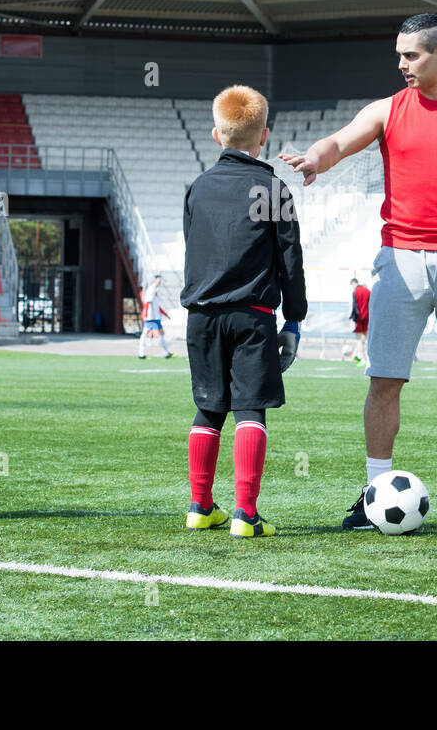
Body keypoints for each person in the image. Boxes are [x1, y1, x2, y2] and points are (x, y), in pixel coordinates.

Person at [281, 13, 437, 532]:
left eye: (411, 55)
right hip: (398, 260)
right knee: (384, 382)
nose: (402, 65)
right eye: (399, 55)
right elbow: (342, 141)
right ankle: (376, 495)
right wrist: (315, 159)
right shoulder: (387, 110)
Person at [181, 85, 307, 538]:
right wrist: (294, 319)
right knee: (250, 409)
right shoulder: (273, 190)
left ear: (217, 135)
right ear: (264, 135)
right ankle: (246, 514)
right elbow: (289, 261)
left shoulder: (197, 187)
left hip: (201, 313)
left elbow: (193, 246)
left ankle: (199, 506)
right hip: (252, 314)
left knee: (208, 407)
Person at [138, 274, 173, 358]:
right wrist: (145, 315)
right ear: (155, 280)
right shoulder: (151, 290)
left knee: (161, 333)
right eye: (159, 280)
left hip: (156, 317)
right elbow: (147, 303)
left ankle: (166, 353)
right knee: (145, 333)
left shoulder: (155, 290)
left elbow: (157, 306)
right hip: (151, 317)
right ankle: (141, 353)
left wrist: (165, 314)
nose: (160, 282)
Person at [348, 276, 370, 363]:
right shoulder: (368, 291)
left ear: (353, 283)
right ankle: (357, 354)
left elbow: (353, 306)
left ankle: (362, 358)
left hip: (359, 317)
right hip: (367, 317)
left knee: (359, 339)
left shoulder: (355, 291)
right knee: (364, 337)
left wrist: (351, 317)